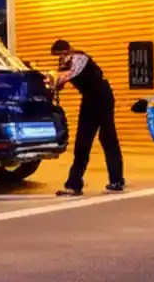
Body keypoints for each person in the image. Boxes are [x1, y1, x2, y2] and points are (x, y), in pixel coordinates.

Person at [51, 39, 125, 196]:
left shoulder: (80, 57)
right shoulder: (65, 62)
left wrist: (58, 79)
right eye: (58, 56)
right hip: (90, 99)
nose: (61, 58)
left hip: (102, 98)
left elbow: (70, 74)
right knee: (85, 142)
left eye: (62, 54)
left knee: (105, 138)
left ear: (68, 50)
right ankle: (76, 184)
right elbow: (60, 80)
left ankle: (115, 180)